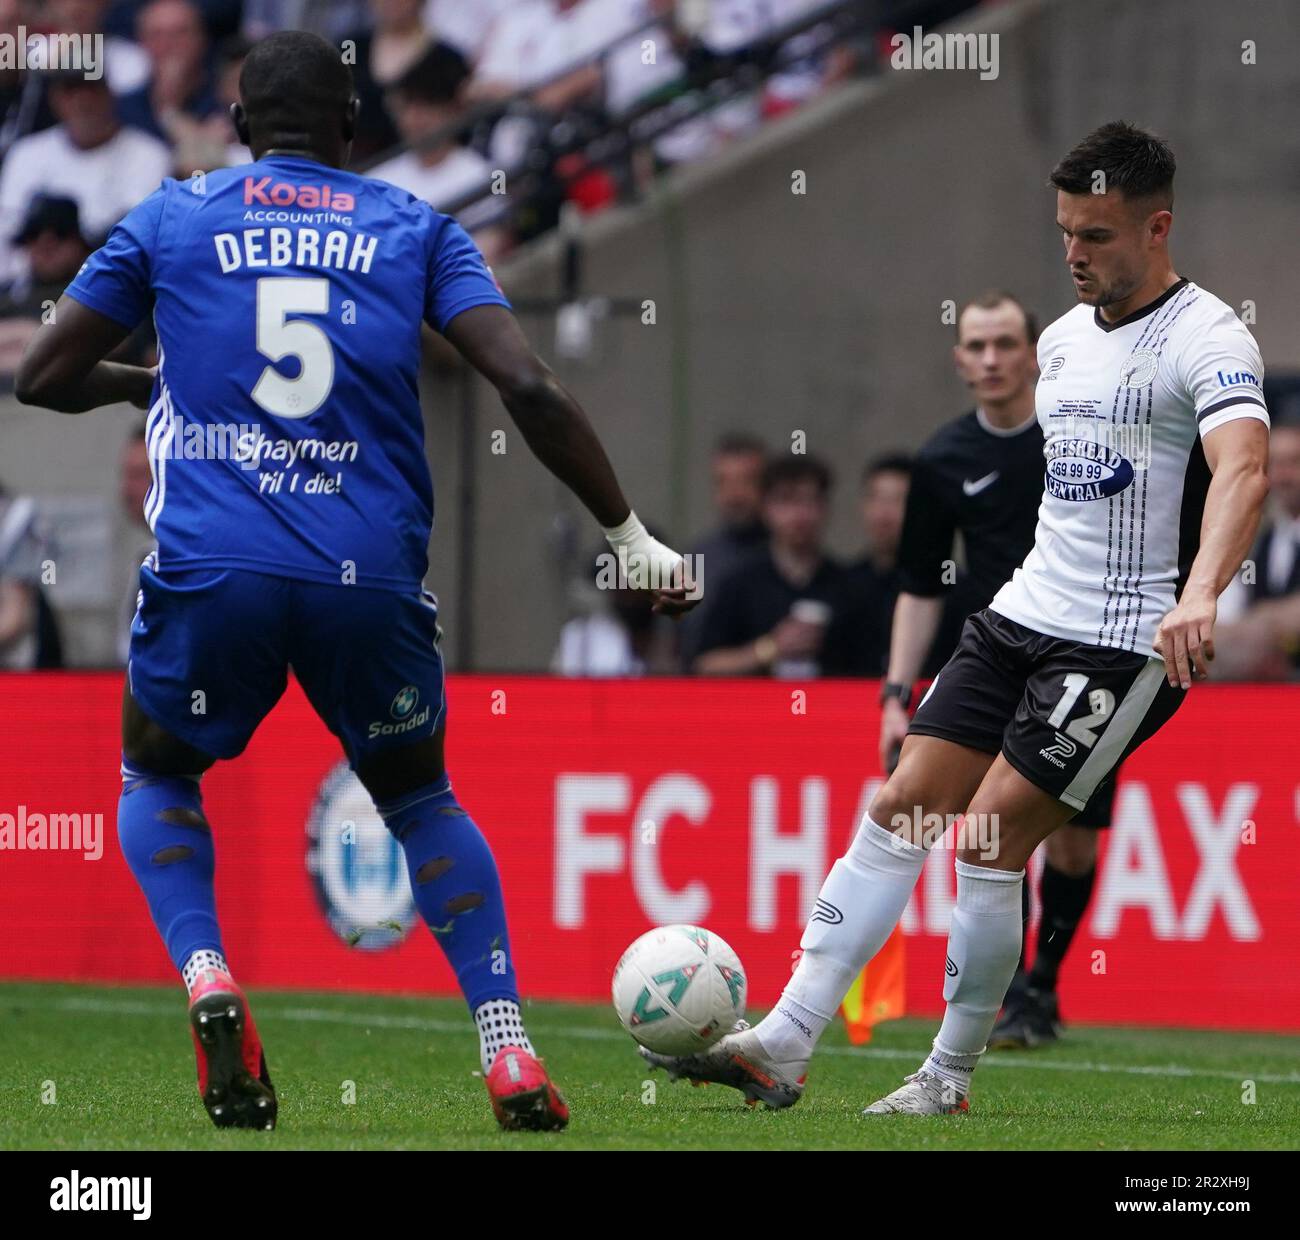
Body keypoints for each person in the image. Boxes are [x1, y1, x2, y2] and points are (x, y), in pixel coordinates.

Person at [17, 29, 695, 1133]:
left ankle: (207, 975)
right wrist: (629, 535)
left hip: (215, 568)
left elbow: (42, 376)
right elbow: (526, 385)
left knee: (157, 776)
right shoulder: (415, 227)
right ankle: (508, 1047)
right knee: (420, 796)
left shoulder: (175, 213)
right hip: (365, 577)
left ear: (237, 128)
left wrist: (152, 382)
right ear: (352, 131)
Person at [640, 121, 1270, 1115]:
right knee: (899, 811)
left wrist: (1201, 593)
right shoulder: (1057, 344)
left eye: (1096, 235)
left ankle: (944, 1079)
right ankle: (787, 1039)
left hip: (1117, 645)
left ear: (1157, 228)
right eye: (1064, 231)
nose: (1073, 252)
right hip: (1018, 616)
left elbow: (1243, 468)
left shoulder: (1209, 338)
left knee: (982, 839)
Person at [878, 290, 1120, 1050]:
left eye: (1004, 345)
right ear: (959, 361)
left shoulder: (1074, 435)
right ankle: (1012, 996)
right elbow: (919, 583)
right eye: (976, 347)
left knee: (1074, 842)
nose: (990, 360)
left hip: (1087, 655)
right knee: (989, 827)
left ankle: (1043, 985)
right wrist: (896, 690)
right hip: (994, 659)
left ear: (1033, 352)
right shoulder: (944, 459)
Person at [692, 455, 857, 678]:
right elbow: (704, 665)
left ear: (825, 508)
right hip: (755, 707)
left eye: (810, 501)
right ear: (765, 508)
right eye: (787, 500)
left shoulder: (849, 586)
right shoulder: (739, 582)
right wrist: (769, 649)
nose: (799, 514)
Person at [676, 432, 768, 668]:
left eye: (746, 481)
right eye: (723, 482)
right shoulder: (694, 561)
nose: (734, 495)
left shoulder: (786, 559)